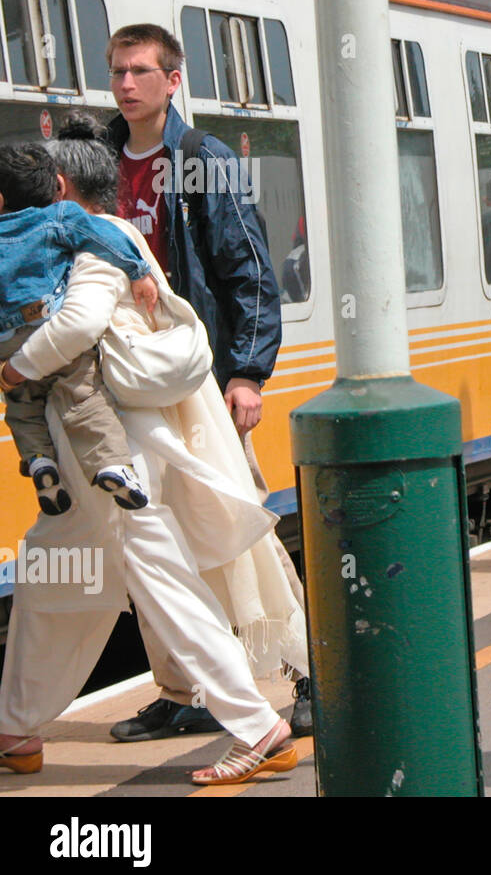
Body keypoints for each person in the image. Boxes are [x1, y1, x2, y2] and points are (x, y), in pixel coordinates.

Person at [0, 130, 302, 785]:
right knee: (53, 573)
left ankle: (259, 727)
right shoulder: (78, 234)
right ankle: (15, 728)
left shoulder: (90, 237)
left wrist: (15, 369)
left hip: (115, 447)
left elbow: (79, 323)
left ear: (60, 189)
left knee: (162, 579)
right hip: (87, 445)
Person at [100, 25, 308, 739]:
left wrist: (248, 371)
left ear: (172, 80)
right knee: (148, 536)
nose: (127, 84)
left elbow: (249, 269)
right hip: (123, 383)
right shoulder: (98, 160)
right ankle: (182, 688)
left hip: (199, 379)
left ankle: (309, 673)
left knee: (240, 525)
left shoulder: (200, 160)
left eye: (140, 71)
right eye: (118, 71)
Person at [0, 145, 156, 514]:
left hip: (6, 340)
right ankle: (112, 465)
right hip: (48, 323)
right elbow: (106, 240)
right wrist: (138, 270)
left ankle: (39, 461)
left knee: (21, 406)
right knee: (83, 397)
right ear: (57, 184)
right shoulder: (61, 216)